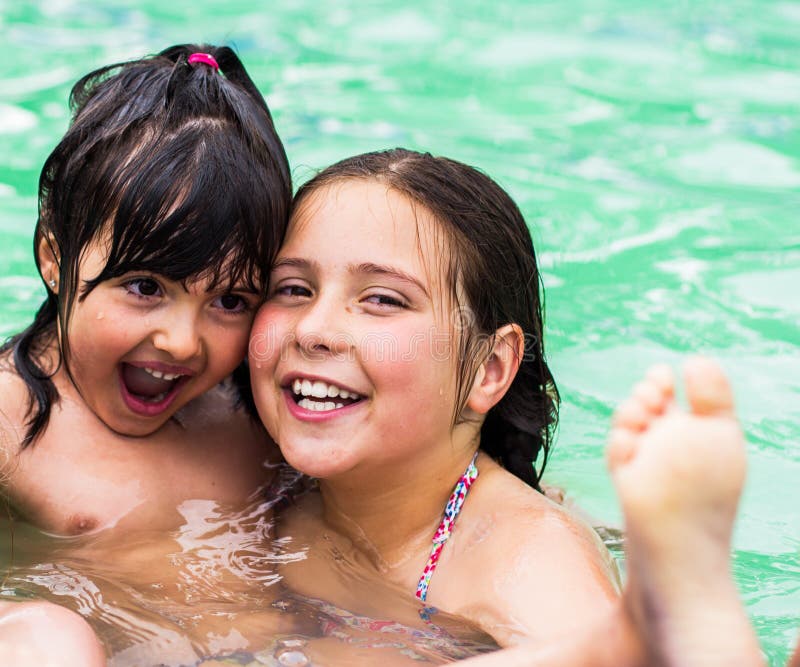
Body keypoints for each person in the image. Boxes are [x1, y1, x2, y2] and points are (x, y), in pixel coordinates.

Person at [248, 148, 768, 665]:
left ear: (489, 368)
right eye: (293, 288)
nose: (313, 329)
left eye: (383, 299)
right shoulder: (260, 476)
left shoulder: (529, 558)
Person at [0, 44, 292, 664]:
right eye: (144, 287)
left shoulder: (262, 413)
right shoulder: (9, 420)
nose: (183, 342)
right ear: (54, 256)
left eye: (232, 301)